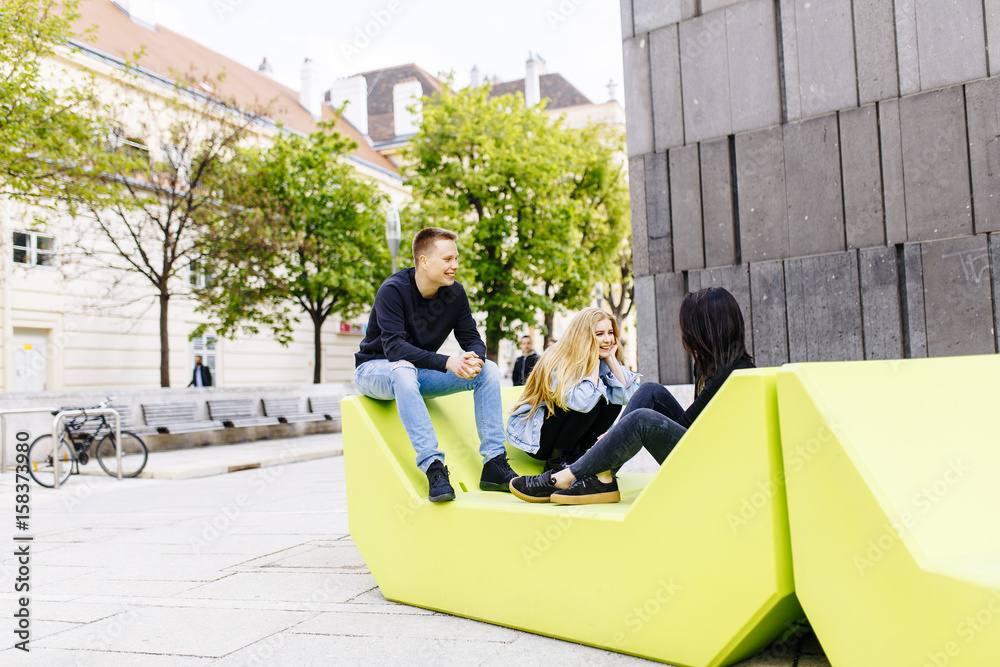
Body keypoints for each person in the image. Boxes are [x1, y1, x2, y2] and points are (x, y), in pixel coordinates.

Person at [510, 287, 754, 505]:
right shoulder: (708, 365)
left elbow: (688, 431)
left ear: (706, 329)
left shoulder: (733, 371)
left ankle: (567, 476)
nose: (684, 332)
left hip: (713, 466)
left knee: (641, 419)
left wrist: (623, 431)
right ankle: (602, 477)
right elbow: (690, 427)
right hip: (701, 450)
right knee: (650, 391)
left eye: (688, 325)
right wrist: (618, 436)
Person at [354, 227, 517, 503]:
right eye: (448, 259)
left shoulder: (454, 294)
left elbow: (472, 338)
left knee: (487, 369)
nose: (455, 266)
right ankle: (433, 467)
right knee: (403, 368)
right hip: (376, 370)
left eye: (456, 259)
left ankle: (494, 463)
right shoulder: (393, 290)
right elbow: (394, 349)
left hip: (418, 373)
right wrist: (447, 362)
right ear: (424, 261)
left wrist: (472, 358)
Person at [505, 308, 640, 473]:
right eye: (599, 334)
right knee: (591, 399)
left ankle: (576, 456)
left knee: (612, 402)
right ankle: (556, 463)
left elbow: (630, 397)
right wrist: (592, 362)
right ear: (584, 336)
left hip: (569, 435)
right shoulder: (557, 359)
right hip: (540, 440)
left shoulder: (603, 359)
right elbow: (582, 403)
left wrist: (611, 359)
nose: (607, 340)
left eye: (610, 332)